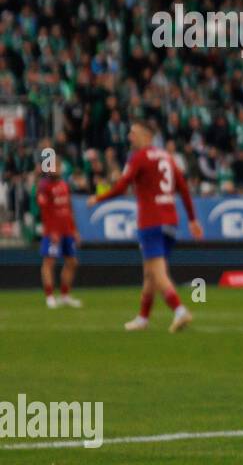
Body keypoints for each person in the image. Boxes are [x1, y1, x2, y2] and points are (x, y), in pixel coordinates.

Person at [87, 120, 203, 332]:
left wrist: (99, 198)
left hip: (151, 221)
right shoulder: (167, 157)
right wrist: (193, 219)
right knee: (150, 272)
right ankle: (143, 318)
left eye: (134, 133)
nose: (130, 137)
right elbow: (184, 189)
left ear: (147, 137)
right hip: (170, 221)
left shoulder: (138, 158)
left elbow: (122, 186)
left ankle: (180, 310)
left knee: (158, 272)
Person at [36, 159, 82, 309]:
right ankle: (49, 296)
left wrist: (74, 229)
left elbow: (68, 209)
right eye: (54, 166)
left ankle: (64, 296)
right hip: (52, 232)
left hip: (66, 230)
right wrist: (52, 230)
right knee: (49, 262)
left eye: (59, 166)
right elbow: (45, 212)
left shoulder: (64, 185)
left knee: (72, 262)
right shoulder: (44, 186)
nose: (57, 169)